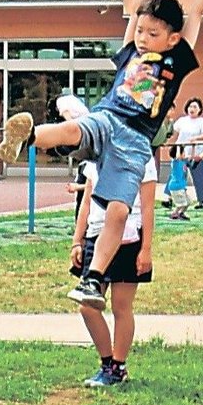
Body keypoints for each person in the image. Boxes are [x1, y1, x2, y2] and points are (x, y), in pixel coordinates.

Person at [0, 0, 203, 310]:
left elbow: (195, 16)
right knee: (74, 129)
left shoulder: (176, 62)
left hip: (136, 139)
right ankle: (28, 136)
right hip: (108, 116)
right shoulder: (129, 54)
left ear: (173, 39)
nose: (142, 39)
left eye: (152, 35)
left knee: (120, 211)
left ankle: (92, 280)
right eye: (140, 31)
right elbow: (133, 13)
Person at [71, 156, 156, 387]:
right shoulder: (96, 155)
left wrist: (146, 249)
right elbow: (86, 202)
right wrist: (77, 240)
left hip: (128, 236)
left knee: (121, 306)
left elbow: (148, 206)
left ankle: (117, 367)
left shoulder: (142, 156)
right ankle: (107, 362)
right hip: (95, 236)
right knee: (87, 306)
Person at [169, 97, 203, 209]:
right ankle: (169, 198)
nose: (192, 109)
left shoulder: (202, 121)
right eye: (190, 106)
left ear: (200, 109)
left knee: (199, 177)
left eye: (195, 107)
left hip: (196, 154)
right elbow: (172, 131)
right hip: (181, 154)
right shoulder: (182, 120)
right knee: (176, 175)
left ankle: (201, 201)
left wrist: (195, 138)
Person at [165, 154, 191, 221]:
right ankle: (173, 214)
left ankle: (181, 213)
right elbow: (177, 156)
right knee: (181, 204)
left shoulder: (183, 162)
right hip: (176, 187)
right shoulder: (175, 162)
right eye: (183, 153)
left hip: (181, 186)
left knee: (188, 201)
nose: (185, 154)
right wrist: (179, 147)